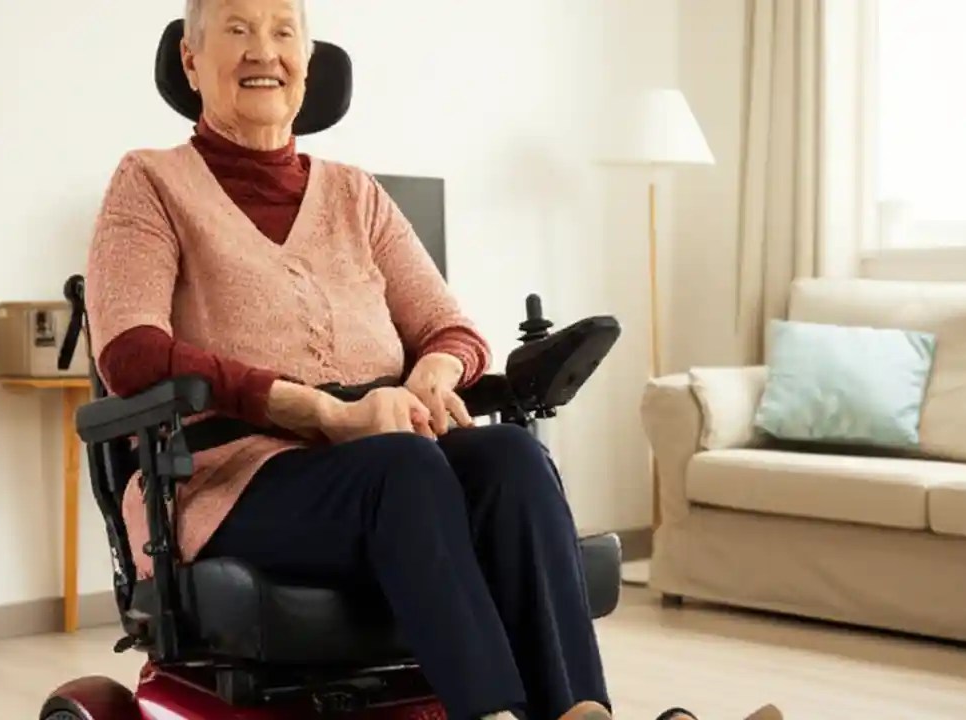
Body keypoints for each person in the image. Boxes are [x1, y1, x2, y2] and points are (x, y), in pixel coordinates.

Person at [85, 2, 710, 720]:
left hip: (382, 469)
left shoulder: (356, 194)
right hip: (232, 482)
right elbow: (131, 354)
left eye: (284, 32)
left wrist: (427, 378)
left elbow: (453, 331)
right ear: (191, 60)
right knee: (403, 467)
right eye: (237, 29)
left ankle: (580, 716)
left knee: (511, 458)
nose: (265, 50)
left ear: (308, 65)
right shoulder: (150, 182)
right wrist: (324, 411)